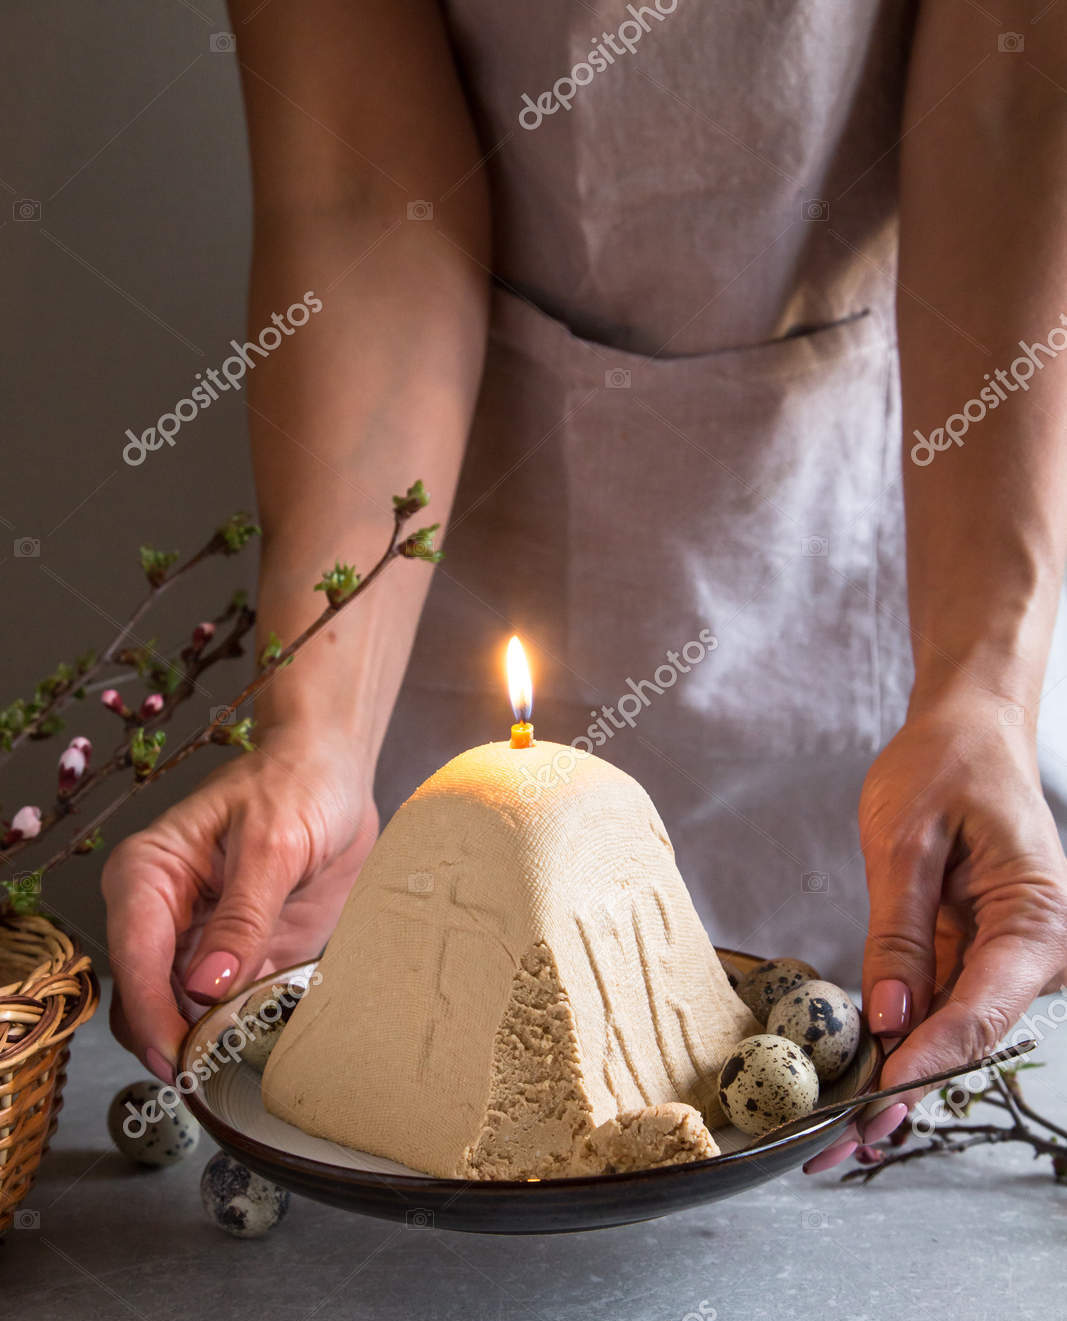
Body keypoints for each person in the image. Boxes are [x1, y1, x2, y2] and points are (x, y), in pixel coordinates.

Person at [103, 1, 1067, 1165]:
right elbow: (361, 185)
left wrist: (981, 695)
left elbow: (1014, 110)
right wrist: (317, 734)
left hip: (861, 538)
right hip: (460, 514)